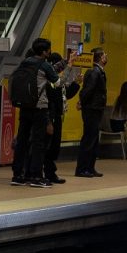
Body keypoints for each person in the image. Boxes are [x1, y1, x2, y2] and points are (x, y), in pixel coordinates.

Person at [9, 38, 56, 188]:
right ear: (44, 51)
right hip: (39, 108)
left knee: (22, 140)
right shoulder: (45, 65)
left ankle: (17, 175)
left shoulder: (25, 62)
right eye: (49, 49)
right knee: (38, 142)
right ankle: (36, 176)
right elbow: (57, 81)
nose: (50, 51)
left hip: (24, 106)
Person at [44, 51, 80, 185]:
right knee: (49, 146)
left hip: (57, 115)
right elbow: (58, 90)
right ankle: (46, 173)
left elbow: (65, 94)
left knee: (54, 146)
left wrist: (76, 84)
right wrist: (69, 65)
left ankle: (50, 172)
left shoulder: (54, 80)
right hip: (50, 116)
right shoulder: (49, 80)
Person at [74, 48, 108, 178]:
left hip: (95, 108)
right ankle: (82, 168)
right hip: (92, 109)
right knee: (89, 138)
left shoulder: (98, 71)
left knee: (93, 139)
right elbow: (88, 90)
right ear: (100, 57)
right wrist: (82, 102)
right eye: (105, 55)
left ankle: (89, 167)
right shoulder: (94, 72)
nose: (106, 57)